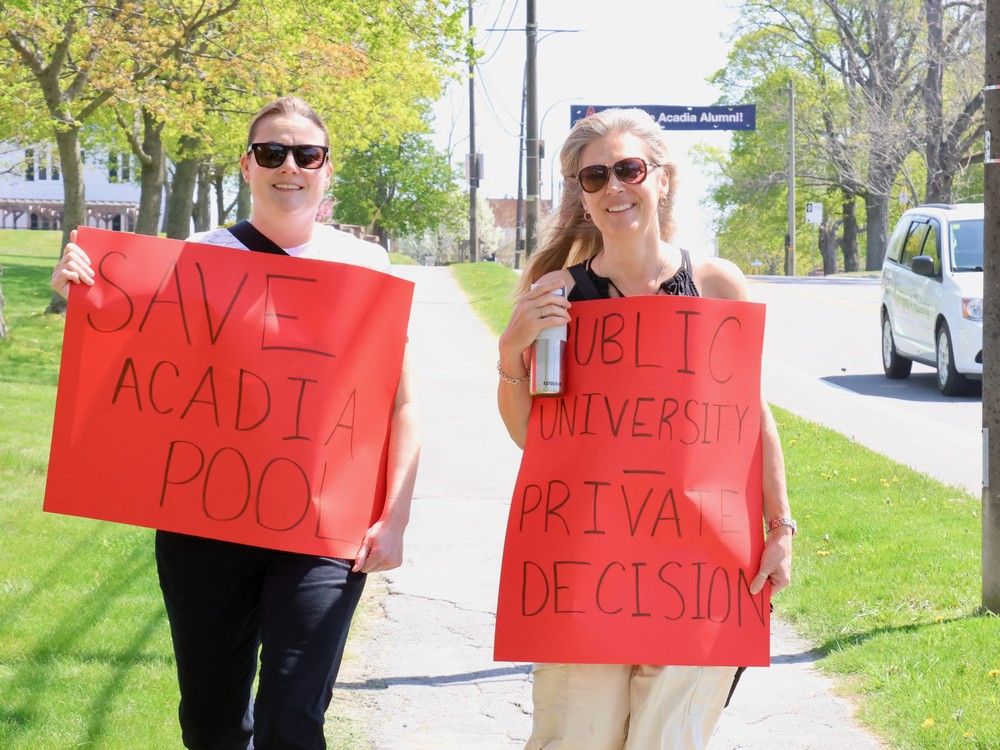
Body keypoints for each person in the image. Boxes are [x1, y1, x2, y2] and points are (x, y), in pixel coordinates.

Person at [51, 96, 420, 750]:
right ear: (247, 166)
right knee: (213, 717)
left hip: (321, 524)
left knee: (293, 714)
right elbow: (129, 364)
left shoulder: (366, 269)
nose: (289, 167)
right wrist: (82, 289)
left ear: (326, 170)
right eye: (272, 153)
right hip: (205, 519)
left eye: (306, 154)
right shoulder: (196, 256)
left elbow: (399, 403)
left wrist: (395, 515)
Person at [496, 108, 794, 750]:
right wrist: (509, 354)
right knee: (572, 738)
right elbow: (534, 439)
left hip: (699, 566)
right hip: (586, 564)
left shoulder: (716, 283)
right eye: (594, 176)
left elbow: (750, 416)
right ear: (581, 194)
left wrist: (780, 527)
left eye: (628, 169)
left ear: (662, 179)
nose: (614, 188)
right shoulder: (557, 296)